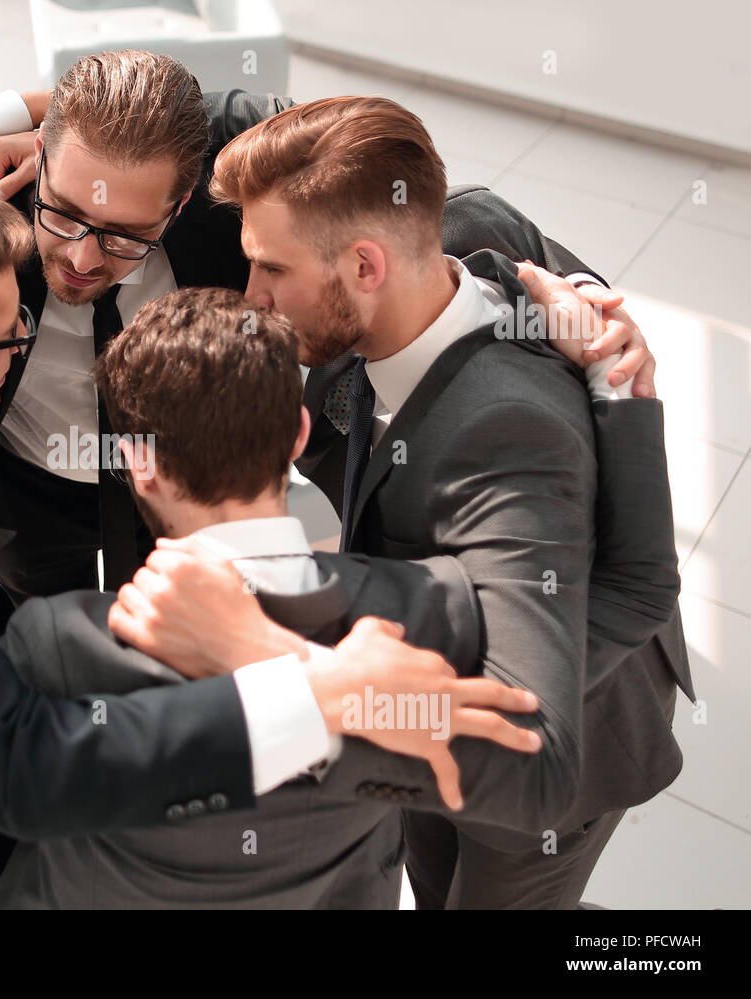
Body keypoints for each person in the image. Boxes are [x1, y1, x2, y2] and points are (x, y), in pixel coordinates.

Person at [0, 182, 537, 909]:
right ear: (300, 432)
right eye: (13, 336)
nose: (29, 346)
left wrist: (20, 112)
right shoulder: (428, 607)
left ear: (137, 466)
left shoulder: (58, 640)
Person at [0, 50, 656, 603]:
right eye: (59, 217)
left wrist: (578, 310)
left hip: (210, 475)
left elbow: (427, 208)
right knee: (53, 631)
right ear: (32, 157)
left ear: (188, 192)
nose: (75, 260)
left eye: (121, 237)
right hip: (27, 500)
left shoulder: (235, 152)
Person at [123, 94, 691, 909]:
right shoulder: (462, 236)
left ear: (364, 266)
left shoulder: (502, 435)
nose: (252, 296)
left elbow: (533, 731)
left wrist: (299, 673)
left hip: (548, 759)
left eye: (272, 269)